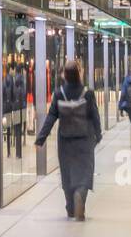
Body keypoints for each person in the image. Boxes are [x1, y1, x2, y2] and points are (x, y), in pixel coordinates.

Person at [34, 59, 102, 221]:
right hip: (84, 141)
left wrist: (40, 139)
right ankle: (80, 195)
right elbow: (94, 116)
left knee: (67, 173)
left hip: (65, 141)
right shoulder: (87, 93)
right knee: (84, 172)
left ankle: (71, 208)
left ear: (65, 75)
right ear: (79, 74)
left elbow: (51, 117)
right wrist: (98, 135)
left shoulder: (59, 94)